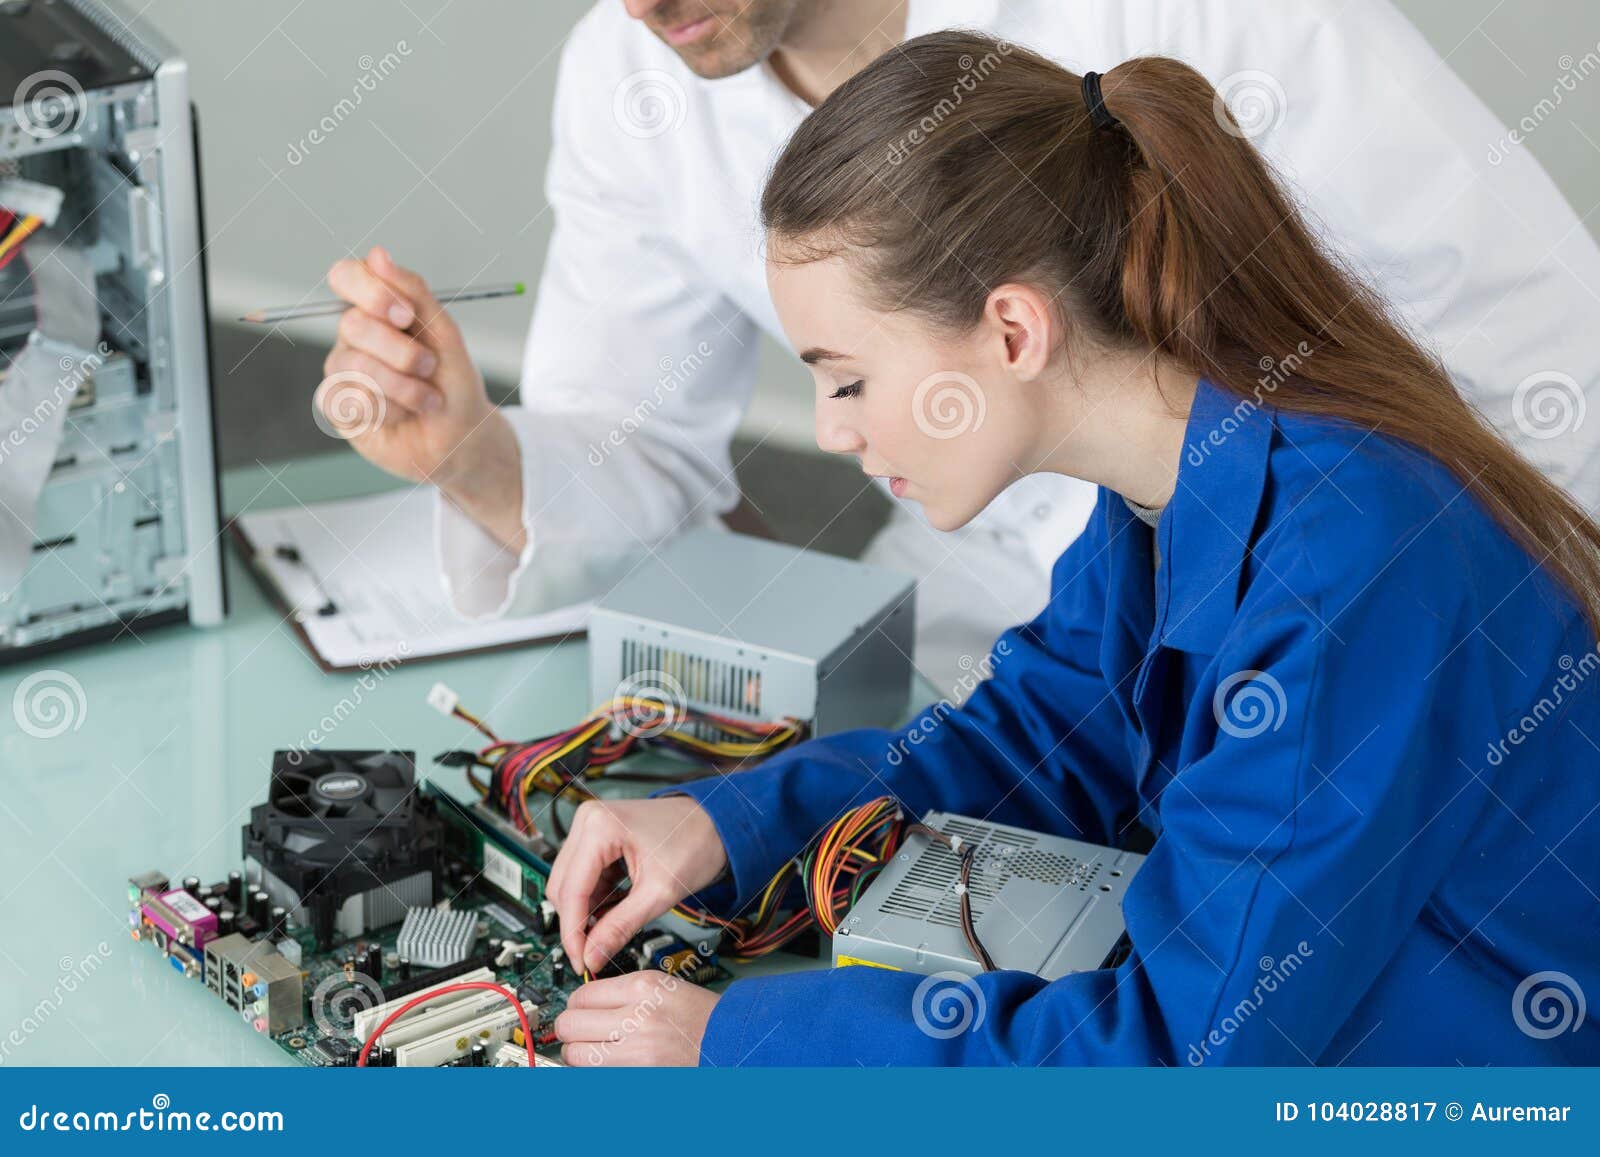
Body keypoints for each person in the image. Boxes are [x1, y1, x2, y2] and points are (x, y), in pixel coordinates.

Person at [540, 32, 1600, 1067]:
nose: (828, 430)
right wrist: (731, 822)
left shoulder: (1349, 564)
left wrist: (742, 1042)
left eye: (847, 377)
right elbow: (1032, 743)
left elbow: (1173, 1058)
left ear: (1011, 333)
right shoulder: (1165, 488)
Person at [315, 0, 1600, 695]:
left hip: (1360, 628)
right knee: (850, 859)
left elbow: (1542, 353)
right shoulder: (627, 80)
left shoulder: (1217, 19)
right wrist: (475, 455)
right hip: (1015, 602)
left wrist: (1489, 700)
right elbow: (641, 439)